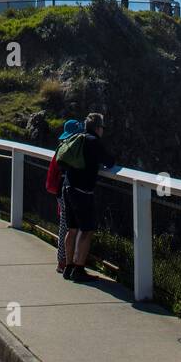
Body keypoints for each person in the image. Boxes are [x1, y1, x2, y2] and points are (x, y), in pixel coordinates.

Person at [62, 112, 116, 282]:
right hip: (82, 191)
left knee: (72, 229)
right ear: (98, 128)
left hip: (67, 186)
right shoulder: (94, 142)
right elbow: (110, 162)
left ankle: (68, 267)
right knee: (87, 230)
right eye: (102, 128)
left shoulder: (78, 137)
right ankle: (79, 270)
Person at [46, 119, 83, 273]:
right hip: (69, 190)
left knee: (65, 225)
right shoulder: (74, 147)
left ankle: (64, 260)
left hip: (61, 190)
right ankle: (66, 261)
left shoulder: (61, 147)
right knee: (69, 226)